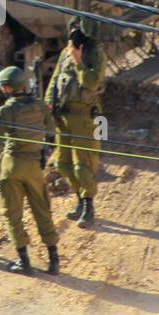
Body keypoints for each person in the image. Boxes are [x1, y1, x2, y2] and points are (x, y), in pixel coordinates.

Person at [0, 66, 59, 276]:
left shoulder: (4, 111)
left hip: (12, 166)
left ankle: (24, 262)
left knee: (12, 214)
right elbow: (52, 133)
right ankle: (54, 260)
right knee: (42, 211)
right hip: (34, 167)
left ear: (7, 88)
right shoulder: (40, 106)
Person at [45, 16, 107, 229]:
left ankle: (89, 207)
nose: (73, 33)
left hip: (84, 118)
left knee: (82, 167)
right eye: (72, 29)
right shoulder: (66, 53)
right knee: (63, 164)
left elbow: (91, 83)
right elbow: (55, 80)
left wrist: (79, 61)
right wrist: (48, 107)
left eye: (78, 29)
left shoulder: (96, 55)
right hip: (63, 116)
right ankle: (80, 201)